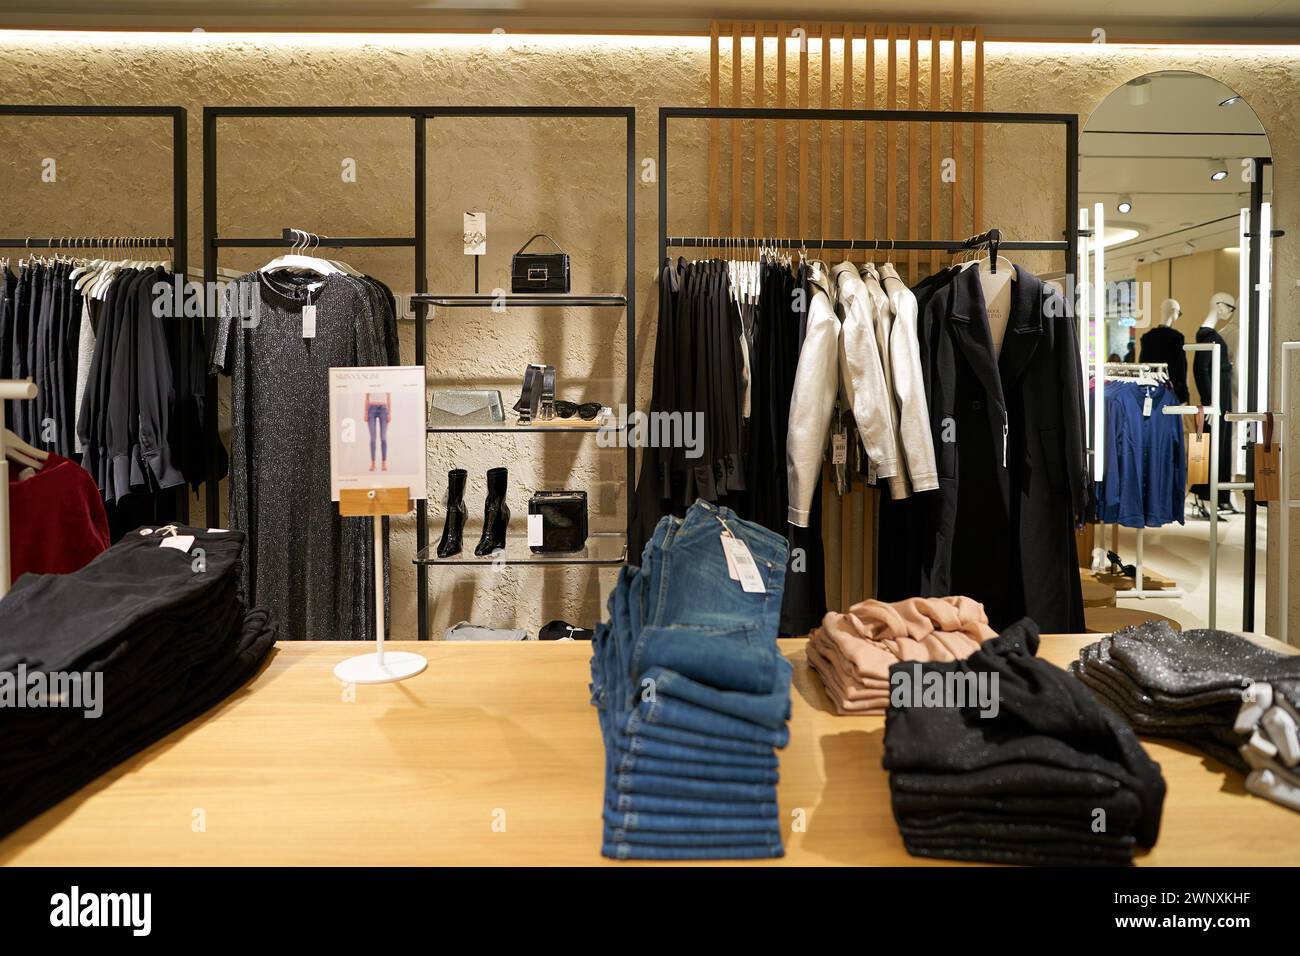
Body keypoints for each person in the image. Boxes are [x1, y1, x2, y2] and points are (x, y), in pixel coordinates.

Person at [365, 392, 392, 472]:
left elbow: (388, 398)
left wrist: (389, 413)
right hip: (371, 409)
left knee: (383, 438)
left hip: (383, 409)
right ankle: (373, 463)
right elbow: (366, 398)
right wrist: (365, 413)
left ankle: (384, 463)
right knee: (373, 439)